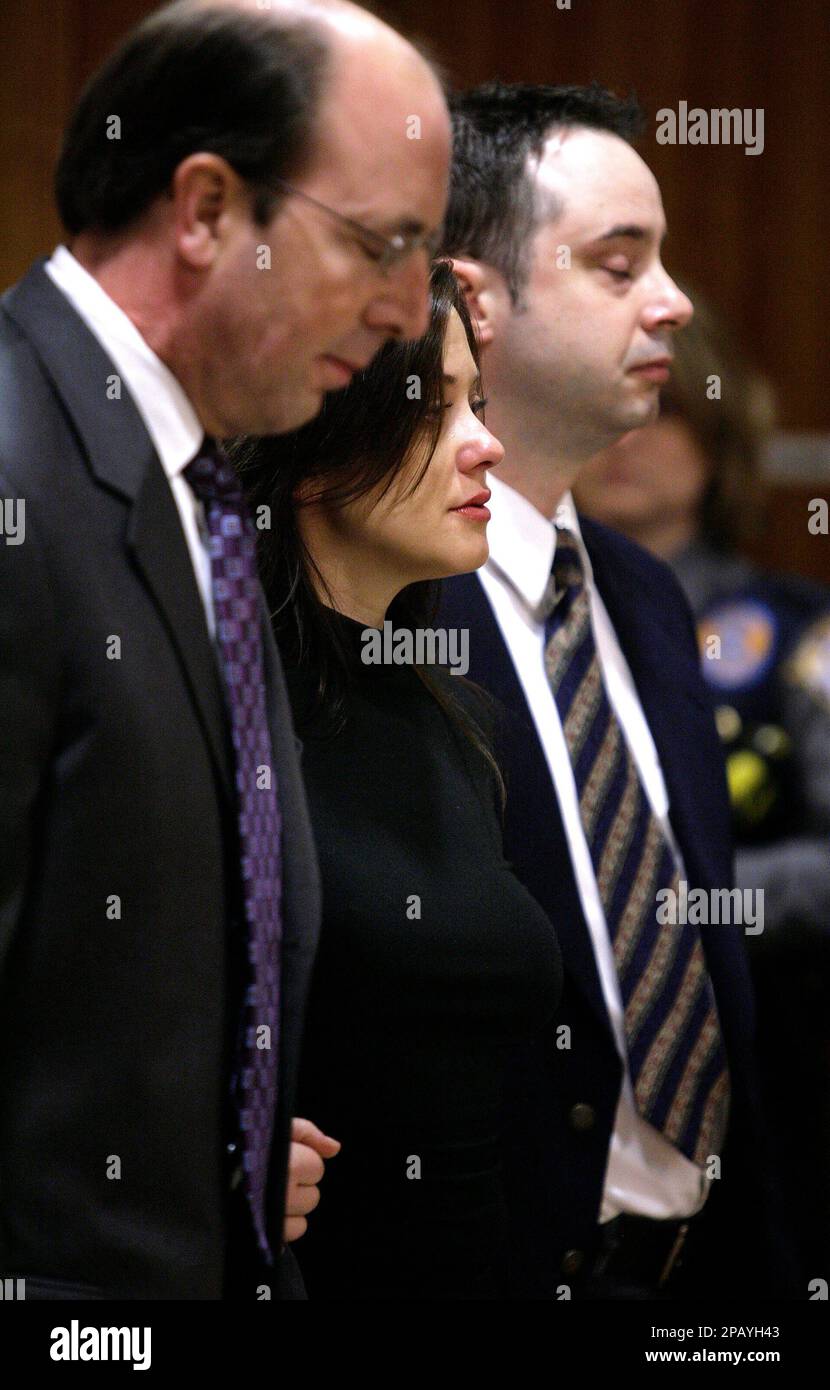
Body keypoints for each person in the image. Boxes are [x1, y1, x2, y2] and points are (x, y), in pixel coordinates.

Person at [0, 0, 450, 1300]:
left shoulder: (187, 475)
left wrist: (213, 1141)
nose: (411, 312)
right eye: (382, 245)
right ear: (204, 211)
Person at [437, 82, 797, 1298]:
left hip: (697, 1273)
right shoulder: (373, 605)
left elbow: (704, 972)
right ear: (472, 302)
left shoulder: (642, 596)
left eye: (666, 258)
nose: (673, 301)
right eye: (616, 262)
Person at [234, 260, 563, 1299]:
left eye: (481, 401)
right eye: (441, 407)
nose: (488, 446)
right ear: (318, 442)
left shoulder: (451, 713)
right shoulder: (219, 710)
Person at [574, 292, 830, 1279]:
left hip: (765, 1060)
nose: (631, 438)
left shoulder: (798, 631)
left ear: (721, 440)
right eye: (614, 407)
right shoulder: (522, 621)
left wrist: (675, 912)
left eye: (668, 410)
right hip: (573, 1065)